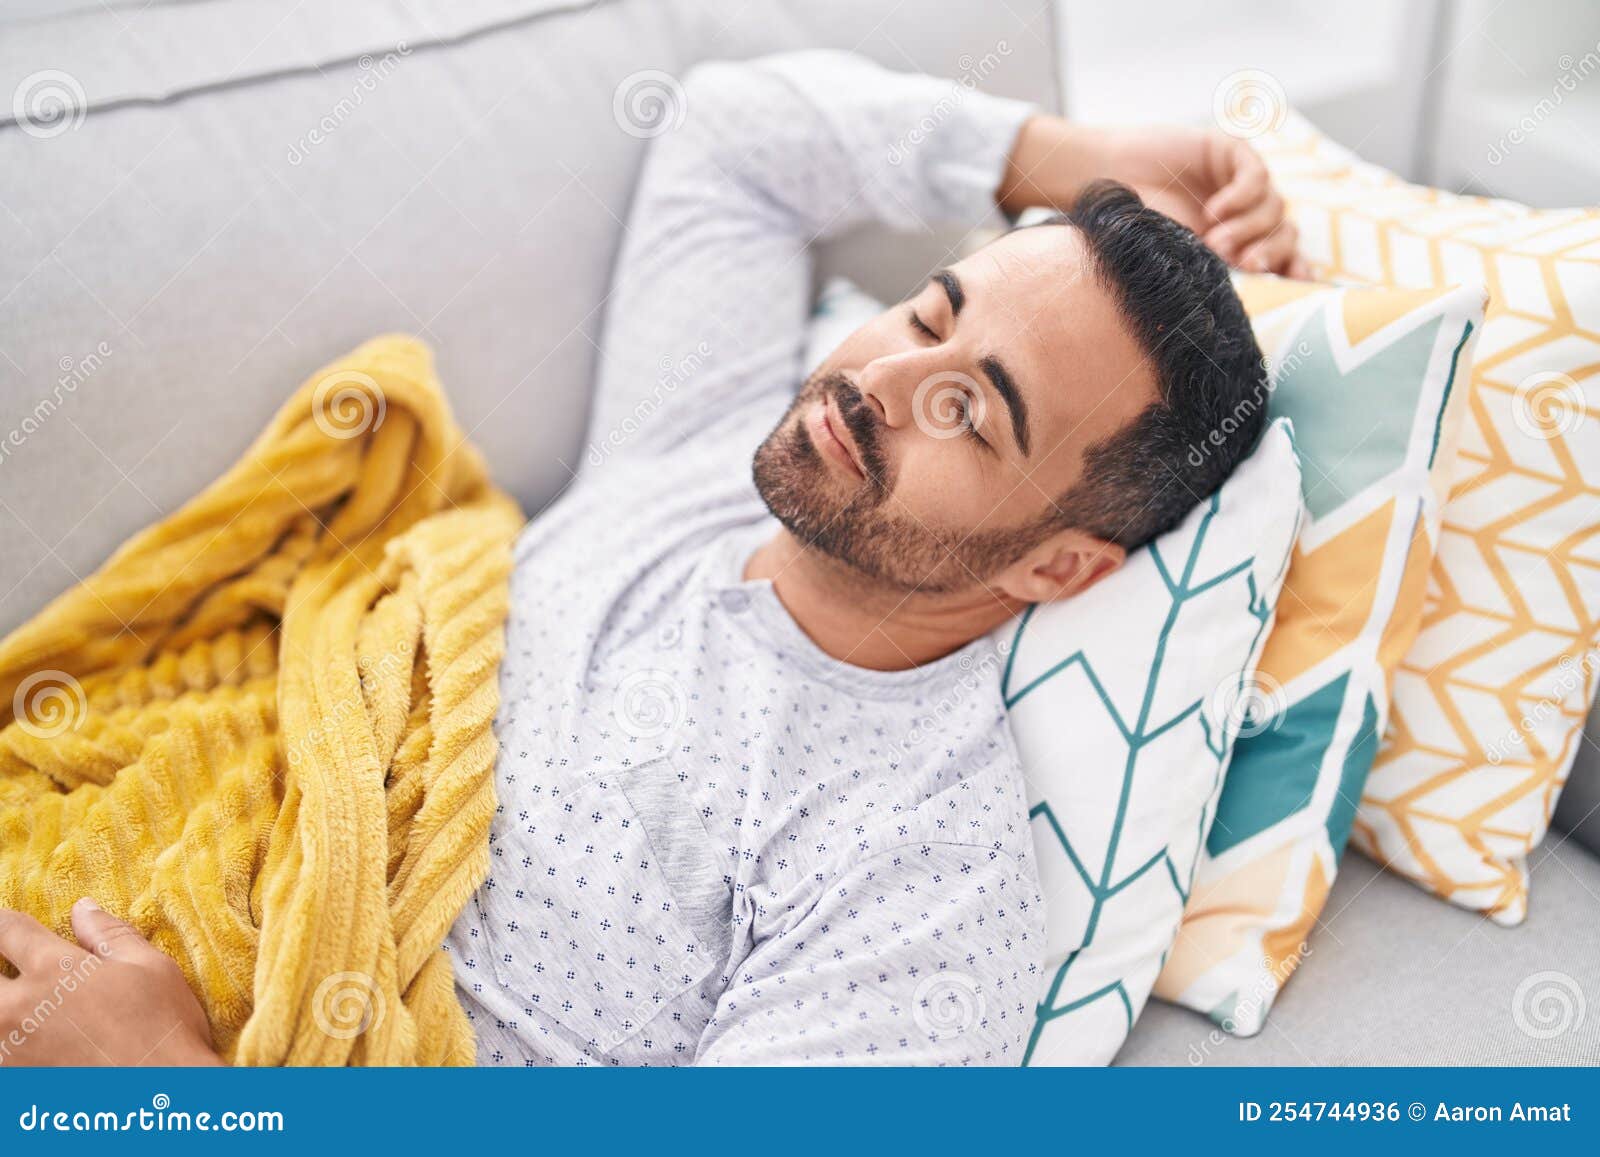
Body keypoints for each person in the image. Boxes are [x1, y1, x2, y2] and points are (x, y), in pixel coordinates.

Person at [0, 51, 1298, 1066]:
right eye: (928, 312)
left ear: (1059, 567)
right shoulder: (702, 449)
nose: (878, 380)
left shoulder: (920, 880)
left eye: (969, 408)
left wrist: (159, 1075)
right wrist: (1057, 152)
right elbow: (735, 134)